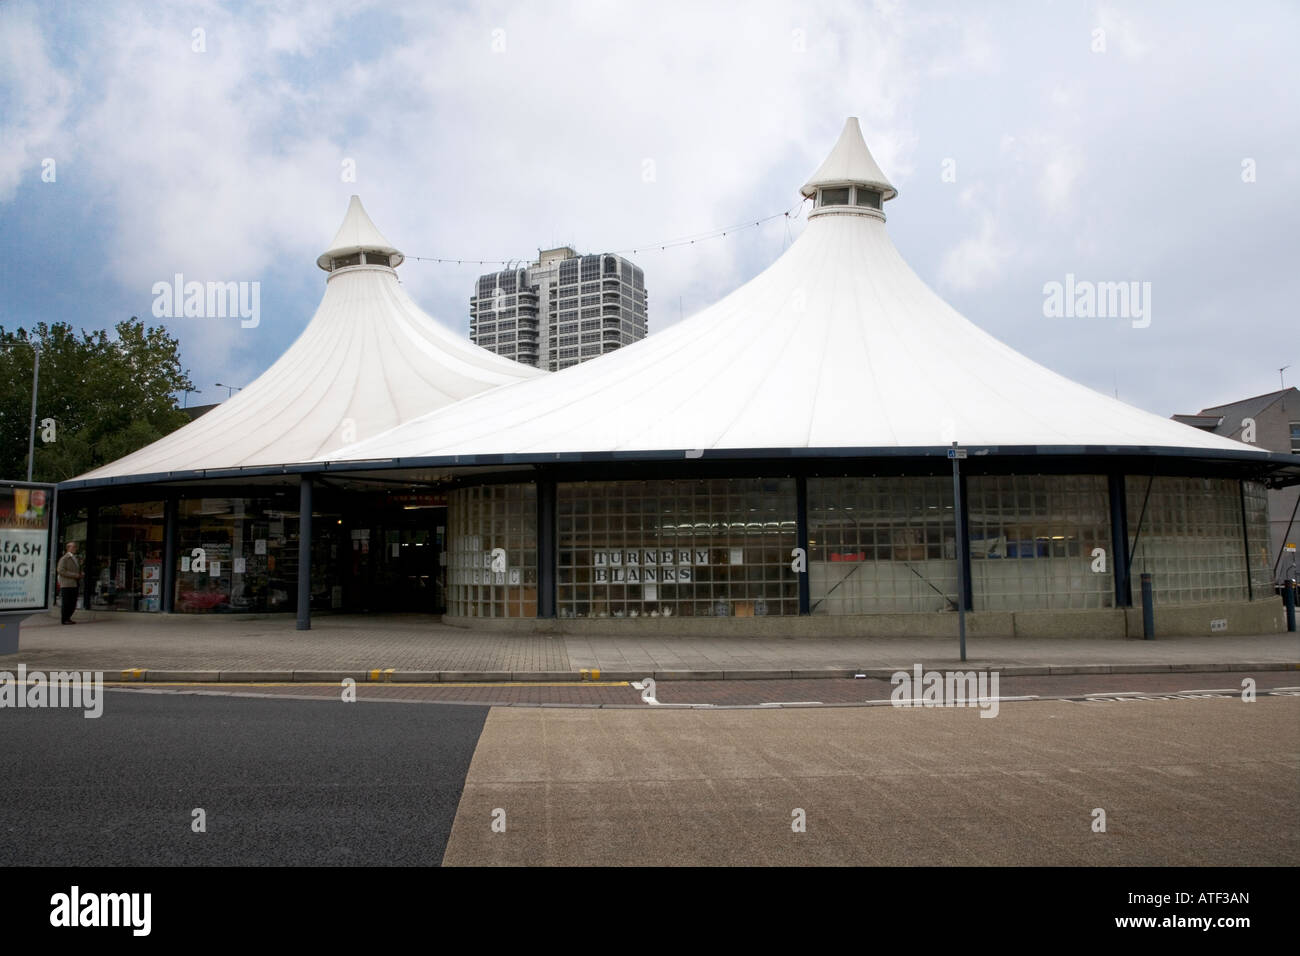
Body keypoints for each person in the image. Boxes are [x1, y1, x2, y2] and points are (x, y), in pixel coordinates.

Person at [56, 542, 83, 625]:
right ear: (68, 548)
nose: (75, 548)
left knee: (72, 602)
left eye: (75, 547)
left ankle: (68, 617)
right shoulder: (64, 558)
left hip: (74, 584)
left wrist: (80, 574)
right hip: (67, 584)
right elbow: (61, 570)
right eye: (73, 547)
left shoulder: (75, 558)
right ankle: (65, 619)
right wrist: (75, 575)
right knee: (67, 602)